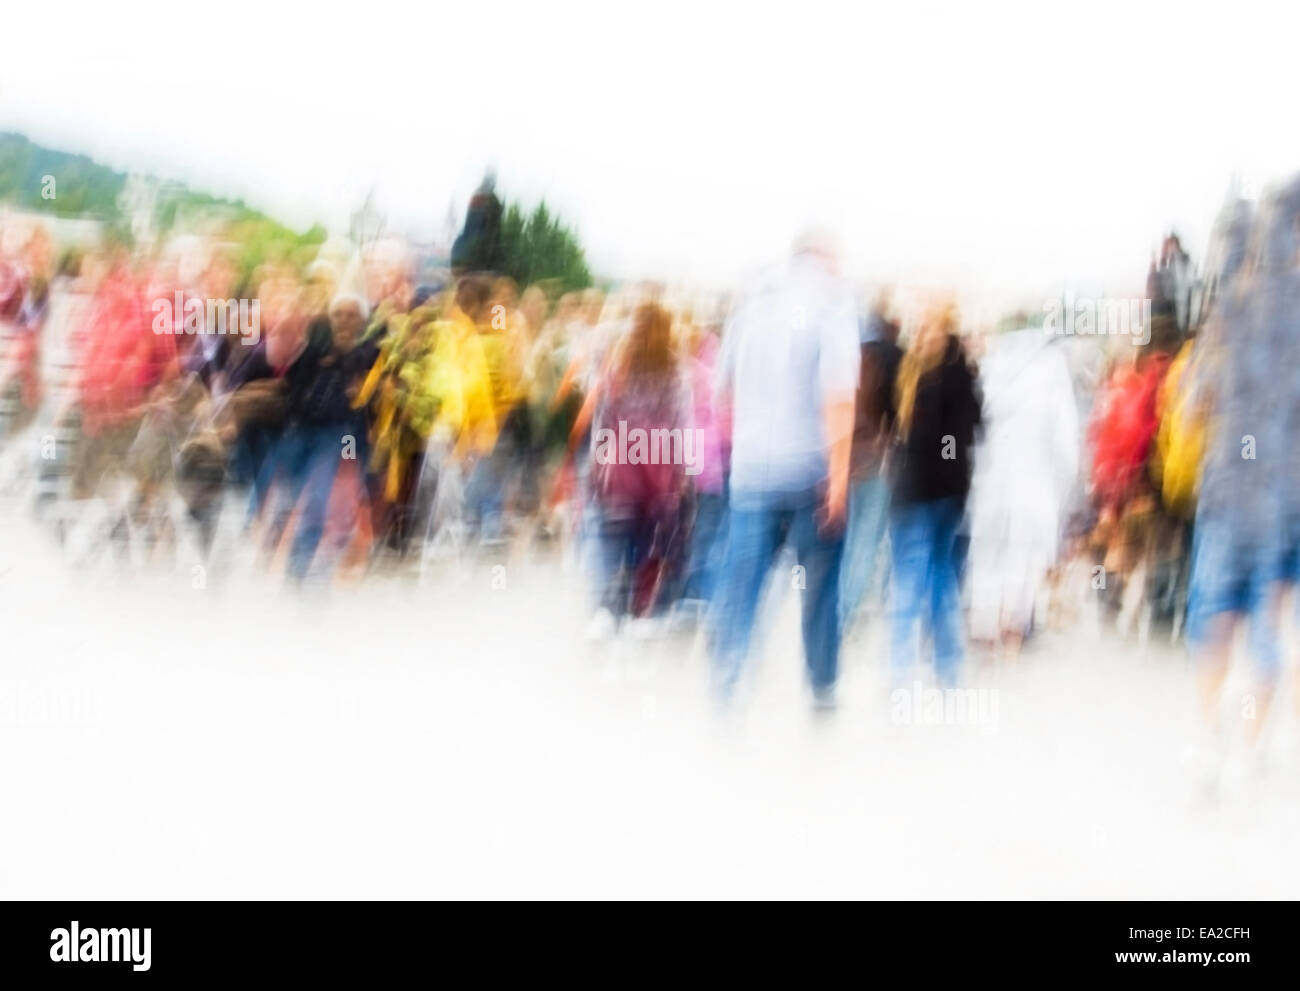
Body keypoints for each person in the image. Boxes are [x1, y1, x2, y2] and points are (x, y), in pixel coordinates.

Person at [709, 232, 860, 709]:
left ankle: (729, 679)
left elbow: (722, 395)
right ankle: (821, 686)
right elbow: (838, 397)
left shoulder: (751, 305)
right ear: (826, 258)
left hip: (752, 473)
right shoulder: (833, 306)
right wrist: (838, 480)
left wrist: (746, 448)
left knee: (744, 580)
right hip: (810, 472)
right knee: (818, 589)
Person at [888, 302, 981, 688]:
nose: (923, 335)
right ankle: (946, 666)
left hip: (925, 493)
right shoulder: (945, 374)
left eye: (930, 328)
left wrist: (938, 459)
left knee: (911, 579)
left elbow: (954, 438)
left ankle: (901, 670)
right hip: (940, 492)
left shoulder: (941, 378)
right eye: (920, 328)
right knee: (940, 577)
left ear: (945, 332)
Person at [838, 292, 902, 638]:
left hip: (844, 457)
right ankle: (846, 613)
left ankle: (839, 605)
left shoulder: (847, 356)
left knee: (846, 538)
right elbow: (902, 418)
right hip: (877, 460)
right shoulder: (895, 358)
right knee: (866, 539)